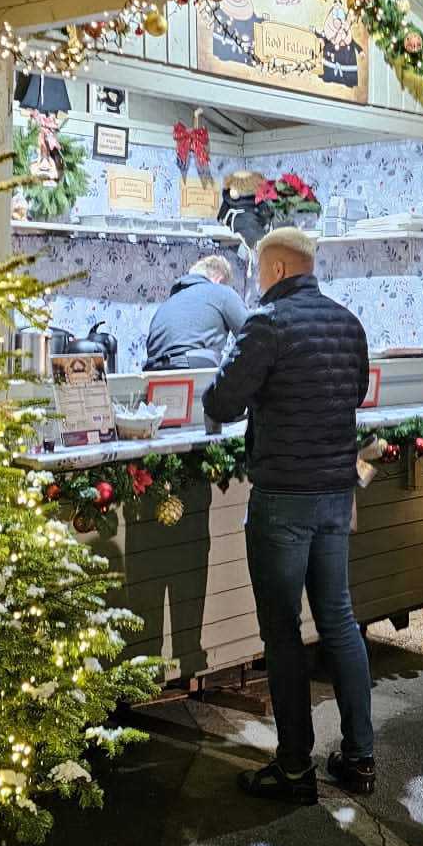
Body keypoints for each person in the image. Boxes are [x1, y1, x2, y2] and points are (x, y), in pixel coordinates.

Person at [203, 229, 374, 804]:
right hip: (334, 492)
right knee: (340, 622)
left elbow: (222, 402)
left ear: (274, 267)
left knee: (282, 632)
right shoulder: (348, 323)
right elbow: (354, 393)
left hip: (283, 498)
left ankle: (295, 767)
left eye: (257, 270)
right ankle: (359, 757)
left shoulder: (267, 324)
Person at [143, 254, 248, 371]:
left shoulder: (166, 304)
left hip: (153, 371)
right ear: (219, 278)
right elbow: (253, 333)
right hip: (195, 366)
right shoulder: (222, 292)